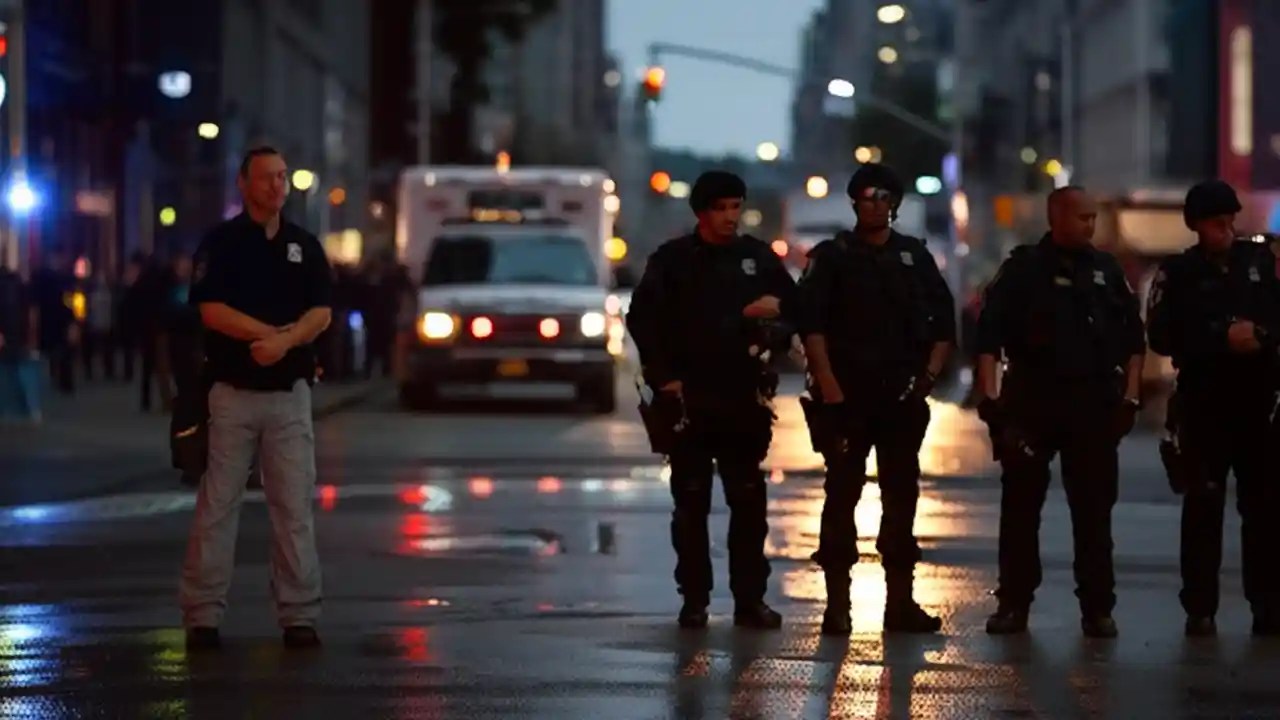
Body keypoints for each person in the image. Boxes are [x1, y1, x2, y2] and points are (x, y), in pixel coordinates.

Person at [626, 170, 797, 630]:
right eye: (720, 209)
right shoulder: (674, 261)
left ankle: (749, 600)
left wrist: (773, 321)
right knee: (691, 503)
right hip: (689, 398)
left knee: (747, 502)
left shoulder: (757, 259)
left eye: (735, 207)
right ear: (702, 212)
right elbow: (643, 320)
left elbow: (794, 310)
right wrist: (663, 378)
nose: (729, 217)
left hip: (742, 395)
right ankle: (695, 599)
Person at [179, 146, 333, 650]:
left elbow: (322, 311)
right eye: (266, 178)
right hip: (232, 394)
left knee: (293, 508)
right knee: (218, 505)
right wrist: (264, 336)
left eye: (283, 177)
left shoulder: (304, 245)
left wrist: (285, 343)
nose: (277, 186)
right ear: (243, 185)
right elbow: (210, 310)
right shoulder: (221, 244)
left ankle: (299, 616)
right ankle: (202, 615)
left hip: (289, 396)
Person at [975, 185, 1145, 638]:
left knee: (1093, 513)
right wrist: (991, 401)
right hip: (1032, 400)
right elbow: (988, 337)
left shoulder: (1107, 271)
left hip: (1092, 404)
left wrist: (1129, 400)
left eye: (1093, 217)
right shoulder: (1023, 270)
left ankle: (1097, 608)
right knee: (1020, 511)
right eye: (1082, 217)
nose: (1090, 225)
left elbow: (1133, 342)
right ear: (1057, 217)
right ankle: (1013, 604)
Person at [796, 163, 956, 635]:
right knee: (842, 494)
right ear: (854, 202)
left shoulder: (914, 258)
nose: (875, 205)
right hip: (846, 396)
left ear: (895, 204)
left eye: (883, 197)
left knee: (902, 498)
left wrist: (926, 378)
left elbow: (943, 326)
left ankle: (900, 604)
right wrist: (829, 385)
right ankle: (837, 606)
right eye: (866, 197)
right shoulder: (833, 257)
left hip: (900, 398)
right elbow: (813, 327)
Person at [1147, 179, 1280, 637]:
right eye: (1216, 223)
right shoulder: (1179, 273)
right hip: (1204, 403)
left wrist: (1260, 336)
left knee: (1264, 510)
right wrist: (1219, 337)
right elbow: (1161, 336)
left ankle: (1267, 604)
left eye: (1230, 221)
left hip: (1258, 404)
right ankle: (1200, 608)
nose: (1226, 230)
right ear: (1197, 225)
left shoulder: (1260, 263)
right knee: (1203, 507)